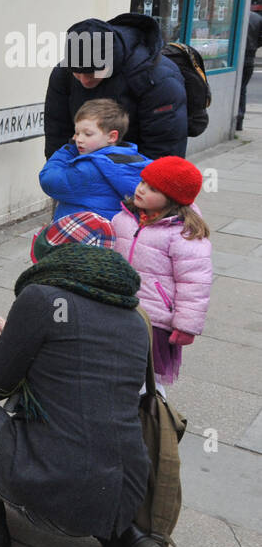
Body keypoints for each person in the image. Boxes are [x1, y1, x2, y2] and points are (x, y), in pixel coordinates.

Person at [0, 213, 157, 547]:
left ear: (55, 259)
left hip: (50, 495)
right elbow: (71, 374)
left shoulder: (42, 298)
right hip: (124, 496)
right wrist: (14, 341)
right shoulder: (135, 318)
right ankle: (120, 538)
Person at [111, 156, 212, 396]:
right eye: (143, 182)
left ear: (173, 199)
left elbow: (195, 282)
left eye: (153, 188)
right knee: (117, 369)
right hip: (120, 308)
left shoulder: (184, 234)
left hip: (155, 319)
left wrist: (186, 325)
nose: (141, 189)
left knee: (148, 381)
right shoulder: (123, 218)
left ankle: (153, 419)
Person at [43, 14, 187, 161]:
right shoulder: (63, 73)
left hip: (135, 172)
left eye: (92, 73)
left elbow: (164, 147)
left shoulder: (157, 79)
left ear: (111, 61)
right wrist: (57, 171)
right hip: (83, 170)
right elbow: (57, 131)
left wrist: (141, 181)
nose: (84, 81)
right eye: (77, 73)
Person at [38, 98, 149, 220]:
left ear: (112, 136)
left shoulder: (89, 169)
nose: (78, 139)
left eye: (87, 134)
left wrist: (67, 150)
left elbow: (49, 181)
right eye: (77, 133)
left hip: (82, 234)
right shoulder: (136, 161)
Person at [238, 5, 261, 131]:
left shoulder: (237, 16)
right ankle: (239, 121)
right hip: (249, 57)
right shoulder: (257, 18)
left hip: (240, 56)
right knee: (242, 90)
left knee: (240, 89)